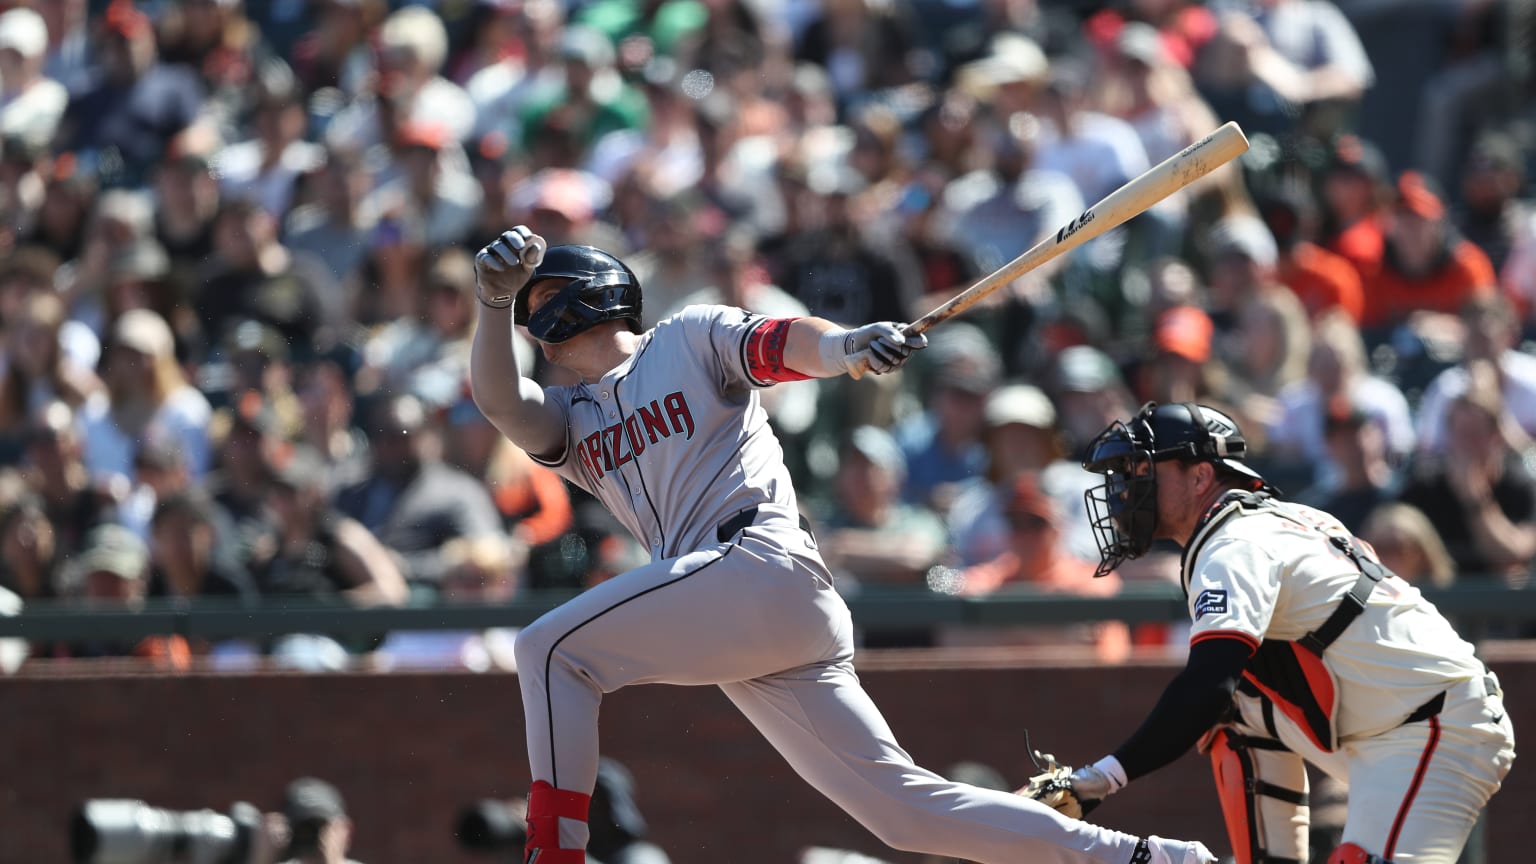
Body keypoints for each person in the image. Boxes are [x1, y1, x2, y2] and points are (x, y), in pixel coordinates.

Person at [470, 225, 1217, 864]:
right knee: (902, 814)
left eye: (535, 301)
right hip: (737, 607)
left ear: (582, 296)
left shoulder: (684, 338)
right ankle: (1148, 857)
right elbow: (499, 399)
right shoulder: (571, 419)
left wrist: (848, 344)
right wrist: (492, 304)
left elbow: (781, 344)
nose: (531, 322)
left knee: (550, 651)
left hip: (757, 563)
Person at [1043, 401, 1514, 864]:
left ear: (1201, 476)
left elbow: (1205, 686)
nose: (1127, 486)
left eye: (1143, 468)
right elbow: (1223, 691)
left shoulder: (1234, 544)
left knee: (1222, 696)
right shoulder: (1266, 523)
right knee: (1237, 707)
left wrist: (1101, 779)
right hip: (1387, 724)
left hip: (1436, 725)